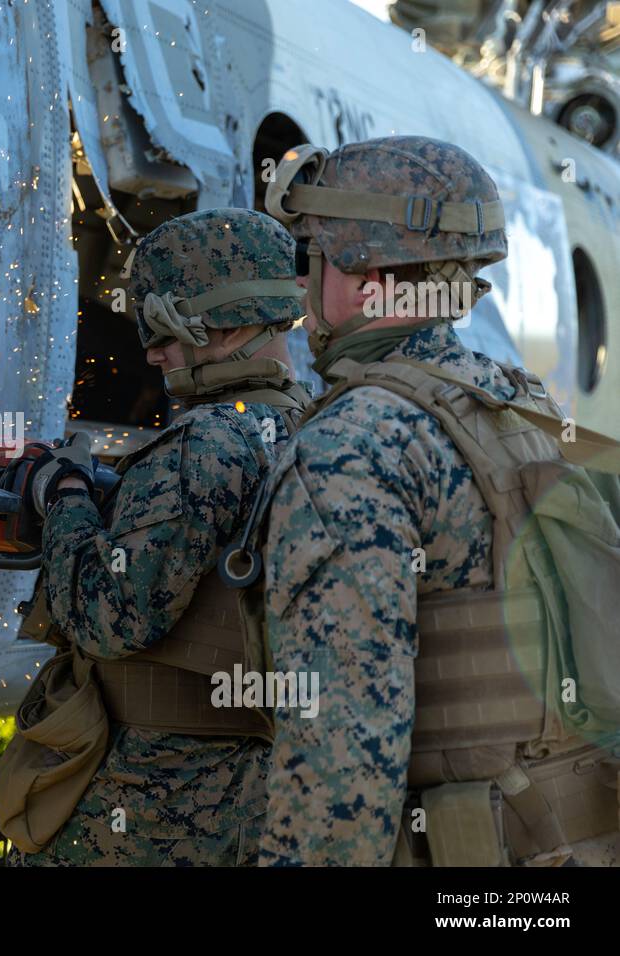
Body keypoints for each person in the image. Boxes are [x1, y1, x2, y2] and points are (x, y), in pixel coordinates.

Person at [254, 135, 620, 866]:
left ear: (359, 269)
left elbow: (343, 751)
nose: (300, 291)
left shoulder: (353, 445)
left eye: (309, 259)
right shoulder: (520, 405)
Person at [0, 207, 310, 866]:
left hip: (154, 805)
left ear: (223, 324)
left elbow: (110, 617)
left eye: (162, 328)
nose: (152, 353)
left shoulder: (206, 442)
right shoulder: (308, 429)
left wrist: (65, 499)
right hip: (256, 789)